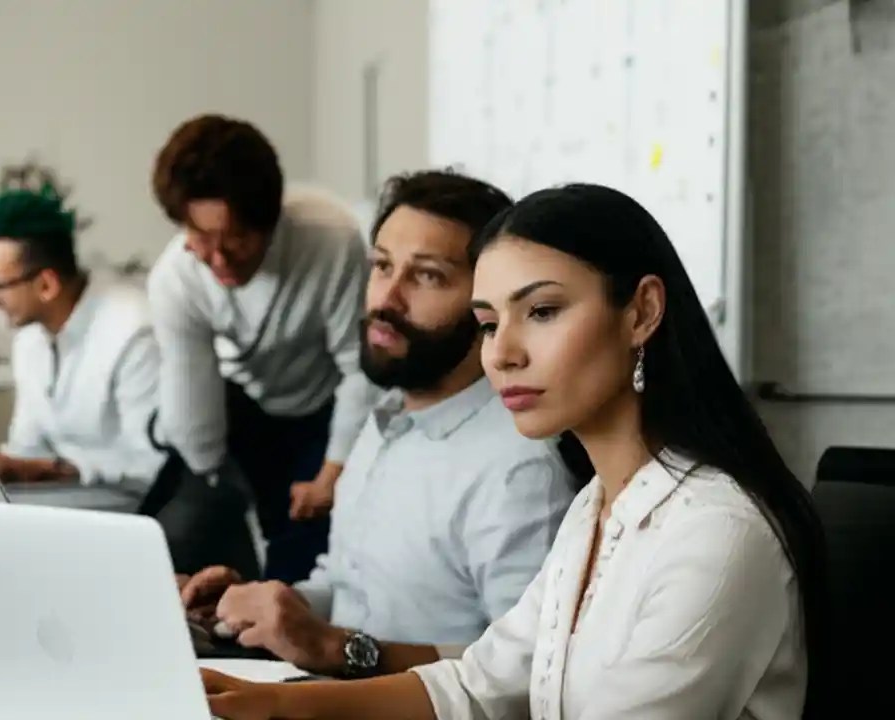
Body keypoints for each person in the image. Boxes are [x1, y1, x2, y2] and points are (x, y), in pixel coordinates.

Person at [201, 183, 827, 719]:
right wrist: (275, 706)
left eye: (543, 311)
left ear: (641, 313)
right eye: (491, 323)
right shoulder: (595, 509)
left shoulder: (713, 533)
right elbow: (478, 686)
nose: (502, 354)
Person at [177, 171, 575, 677]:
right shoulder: (387, 420)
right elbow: (349, 588)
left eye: (428, 276)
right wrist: (256, 609)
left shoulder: (520, 467)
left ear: (489, 306)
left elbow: (526, 675)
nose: (387, 299)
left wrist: (337, 649)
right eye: (383, 266)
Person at [148, 114, 379, 582]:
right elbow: (192, 395)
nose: (218, 259)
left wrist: (332, 473)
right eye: (201, 240)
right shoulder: (175, 277)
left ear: (269, 221)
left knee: (298, 561)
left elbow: (361, 368)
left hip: (325, 404)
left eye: (235, 240)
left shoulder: (330, 239)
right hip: (245, 403)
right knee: (168, 527)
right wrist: (213, 483)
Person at [0, 185, 164, 496]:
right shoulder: (29, 340)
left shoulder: (134, 332)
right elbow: (27, 447)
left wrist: (65, 470)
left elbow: (154, 465)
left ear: (46, 285)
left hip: (137, 516)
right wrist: (5, 463)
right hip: (68, 512)